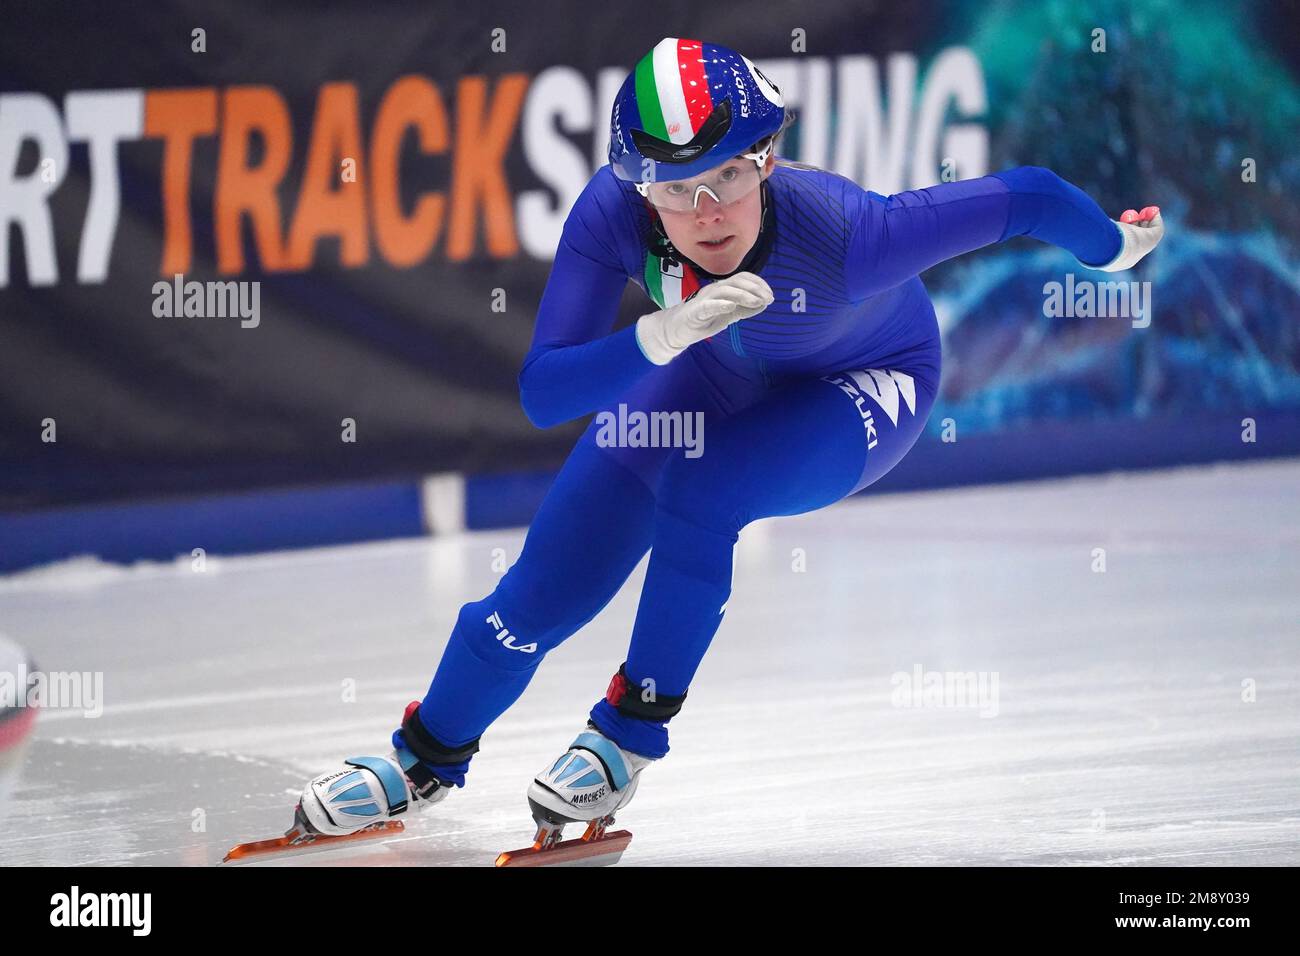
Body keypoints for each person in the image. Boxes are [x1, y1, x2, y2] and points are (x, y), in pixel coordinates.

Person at [297, 37, 1164, 839]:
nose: (706, 212)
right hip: (710, 365)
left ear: (767, 160)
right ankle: (425, 755)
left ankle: (628, 735)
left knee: (706, 494)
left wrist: (1117, 250)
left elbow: (1031, 198)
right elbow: (542, 391)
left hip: (863, 383)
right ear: (641, 191)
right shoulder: (613, 216)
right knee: (540, 585)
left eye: (727, 180)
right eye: (676, 192)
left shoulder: (855, 236)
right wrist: (658, 337)